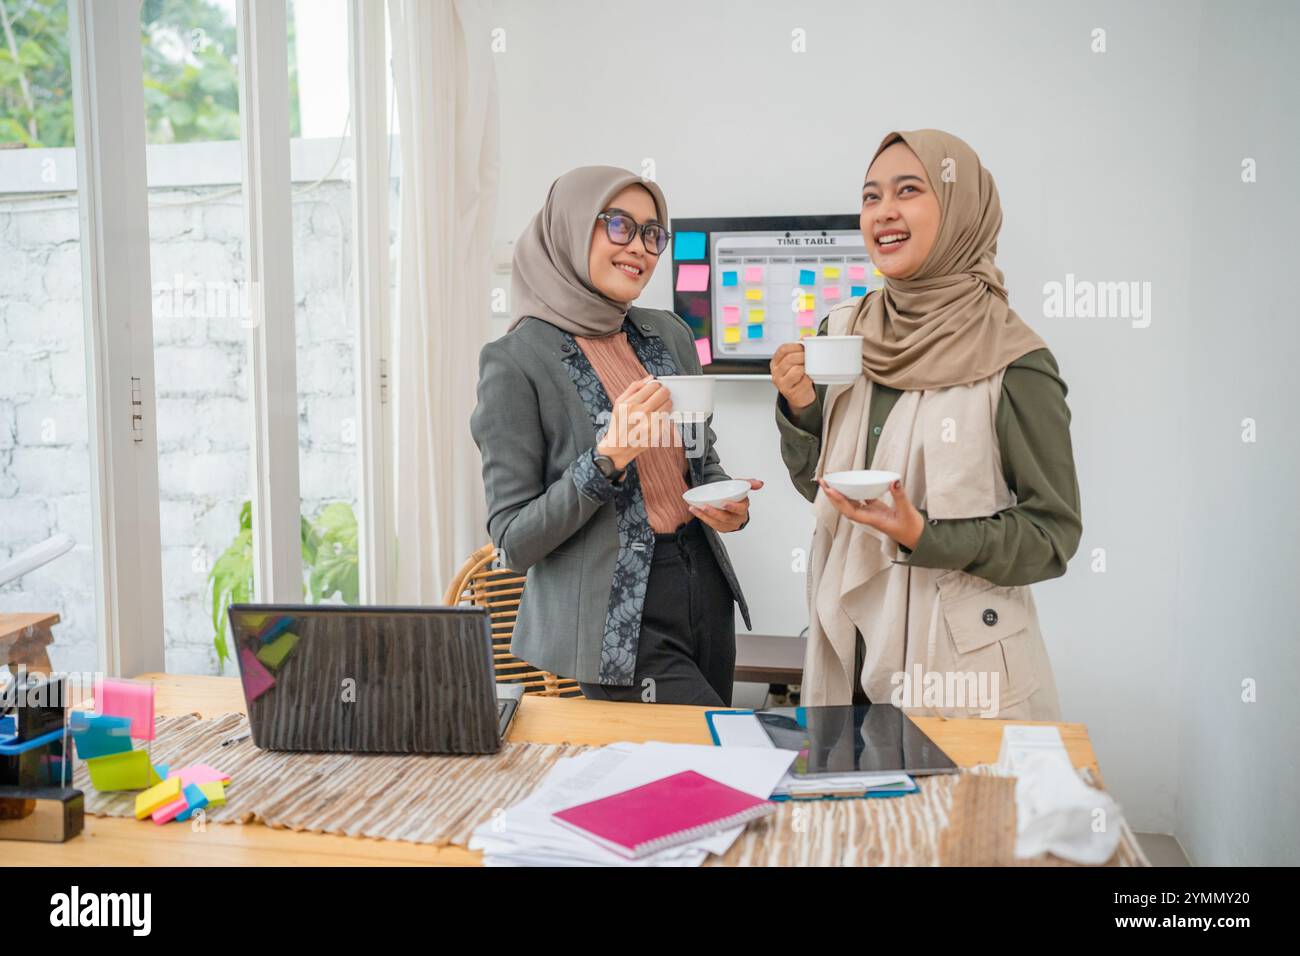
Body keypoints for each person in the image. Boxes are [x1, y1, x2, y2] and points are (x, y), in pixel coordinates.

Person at [771, 130, 1081, 719]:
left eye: (908, 190)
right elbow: (822, 490)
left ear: (962, 210)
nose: (883, 211)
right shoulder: (842, 333)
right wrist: (801, 408)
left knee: (957, 813)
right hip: (848, 644)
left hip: (959, 662)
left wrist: (925, 534)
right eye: (870, 196)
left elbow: (1052, 536)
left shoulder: (1015, 360)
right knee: (857, 811)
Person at [471, 166, 760, 706]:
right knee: (725, 748)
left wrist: (726, 501)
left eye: (654, 234)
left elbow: (699, 456)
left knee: (698, 781)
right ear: (573, 229)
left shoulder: (668, 334)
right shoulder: (514, 362)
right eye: (620, 226)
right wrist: (605, 459)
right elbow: (513, 541)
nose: (642, 249)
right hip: (618, 614)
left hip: (703, 589)